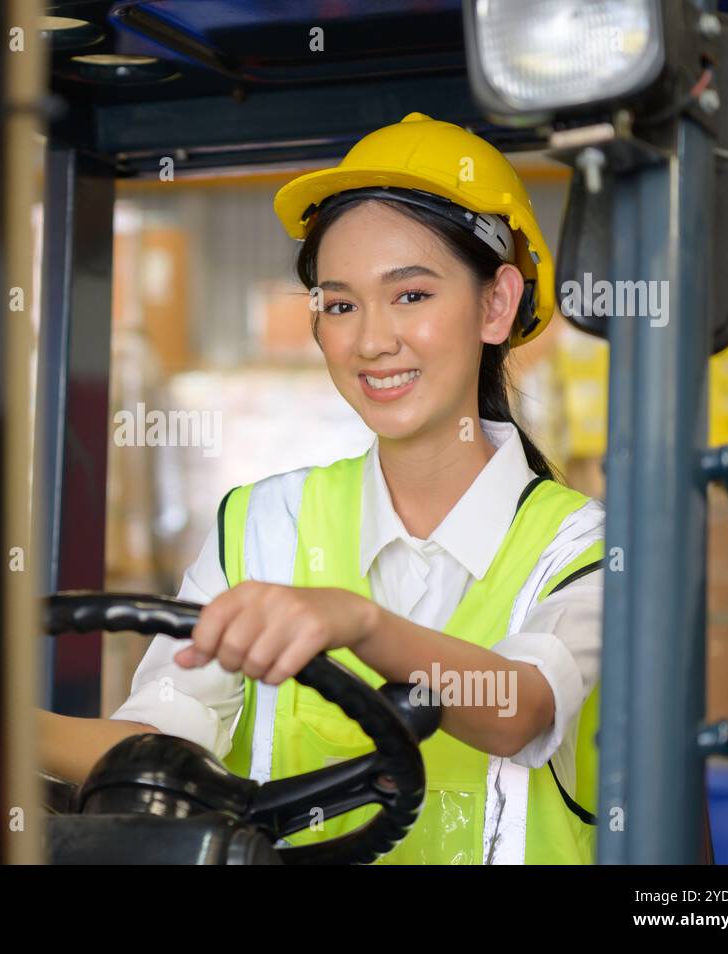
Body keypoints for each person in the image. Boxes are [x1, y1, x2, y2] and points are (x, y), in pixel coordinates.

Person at [38, 112, 605, 865]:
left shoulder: (583, 546)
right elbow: (166, 748)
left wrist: (360, 624)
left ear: (496, 304)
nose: (371, 340)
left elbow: (519, 710)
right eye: (340, 304)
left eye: (411, 296)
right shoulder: (258, 526)